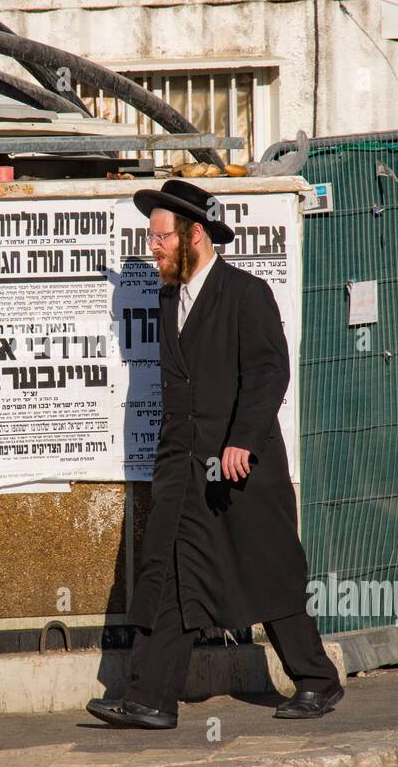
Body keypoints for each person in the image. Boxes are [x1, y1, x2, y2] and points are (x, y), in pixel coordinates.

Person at [87, 180, 343, 729]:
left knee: (266, 570)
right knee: (167, 571)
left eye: (160, 237)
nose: (151, 247)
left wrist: (242, 440)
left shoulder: (246, 294)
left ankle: (317, 681)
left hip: (241, 470)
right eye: (150, 237)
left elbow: (270, 372)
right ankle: (151, 696)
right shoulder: (165, 298)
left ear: (194, 234)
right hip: (182, 468)